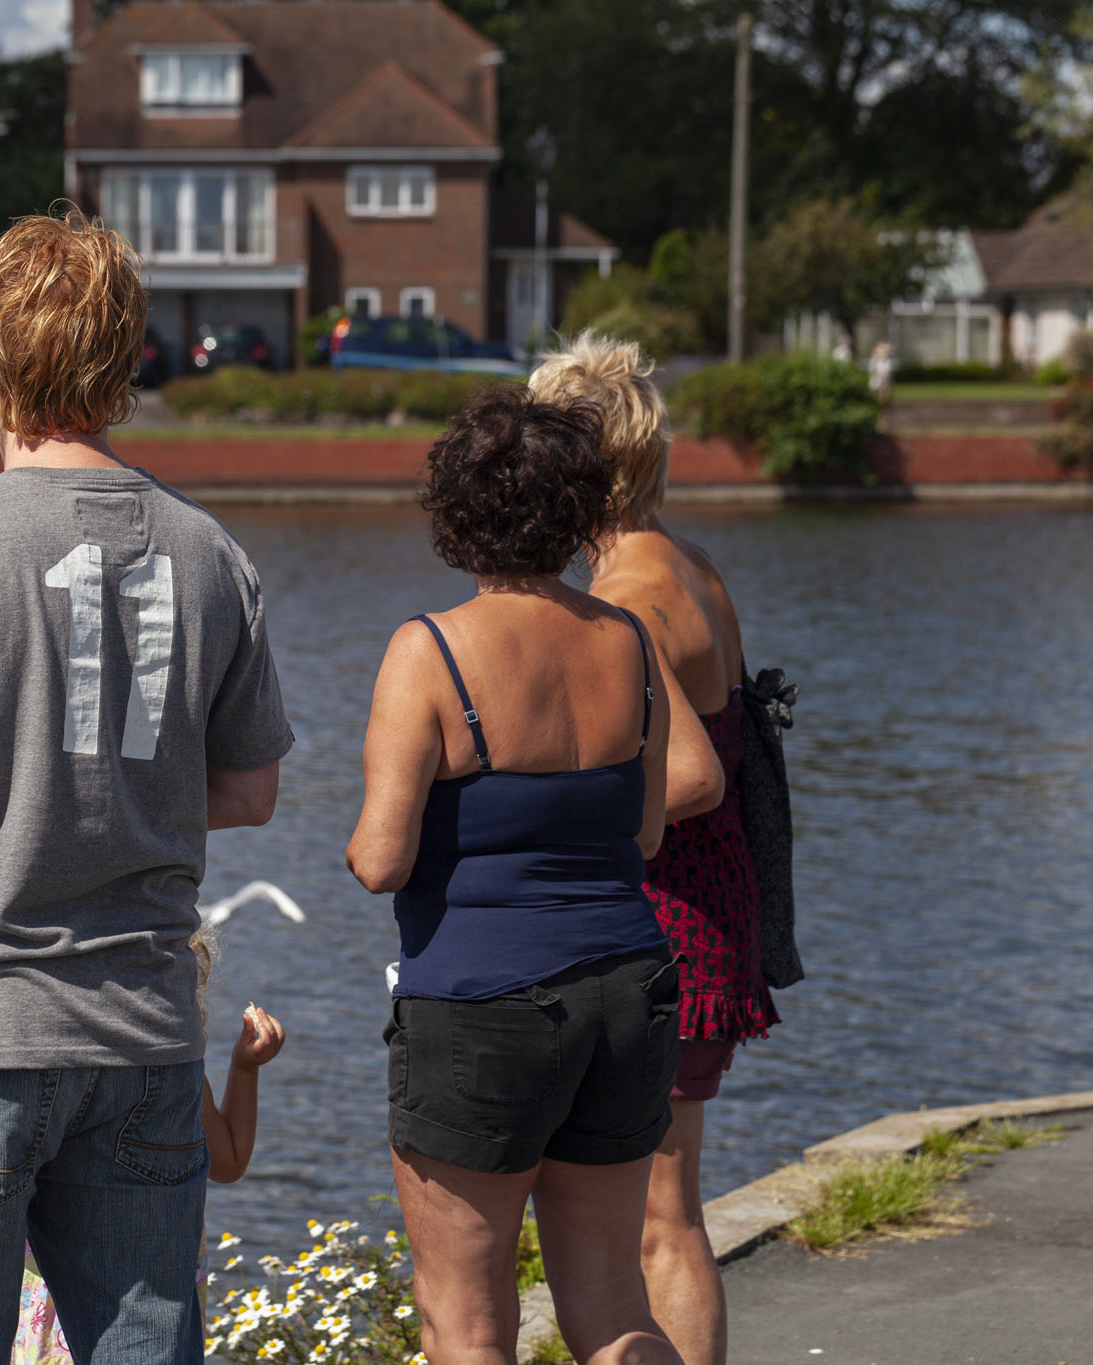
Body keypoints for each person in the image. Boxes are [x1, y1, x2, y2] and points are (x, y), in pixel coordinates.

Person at [0, 207, 295, 1365]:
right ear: (125, 356)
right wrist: (111, 782)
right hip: (141, 1038)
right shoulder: (208, 553)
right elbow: (249, 793)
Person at [347, 384, 718, 1365]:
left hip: (481, 1004)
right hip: (628, 987)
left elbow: (380, 861)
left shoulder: (427, 650)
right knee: (613, 1303)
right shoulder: (626, 640)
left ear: (454, 506)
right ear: (577, 508)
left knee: (465, 1318)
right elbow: (645, 835)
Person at [530, 331, 777, 1365]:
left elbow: (692, 777)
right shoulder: (689, 564)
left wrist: (553, 818)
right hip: (713, 907)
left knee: (657, 1218)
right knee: (666, 1207)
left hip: (670, 921)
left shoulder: (626, 596)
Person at [14, 943, 287, 1364]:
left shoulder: (171, 1073)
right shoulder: (60, 1070)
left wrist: (244, 1067)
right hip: (86, 1288)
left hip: (127, 1285)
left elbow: (228, 1160)